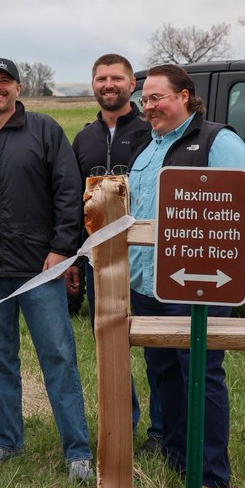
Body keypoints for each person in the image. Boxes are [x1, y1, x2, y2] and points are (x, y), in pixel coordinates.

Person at [0, 58, 94, 482]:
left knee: (58, 356)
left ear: (18, 88)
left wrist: (62, 249)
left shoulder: (44, 131)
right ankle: (6, 439)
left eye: (3, 82)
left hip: (38, 269)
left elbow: (68, 192)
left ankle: (77, 450)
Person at [128, 63, 245, 488]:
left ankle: (209, 478)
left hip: (194, 286)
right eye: (144, 100)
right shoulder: (148, 149)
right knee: (162, 371)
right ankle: (174, 456)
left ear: (185, 96)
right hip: (146, 285)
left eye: (157, 97)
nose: (148, 107)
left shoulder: (217, 141)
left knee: (200, 374)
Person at [64, 53, 160, 453]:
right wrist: (73, 255)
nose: (109, 85)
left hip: (145, 258)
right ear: (93, 85)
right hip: (97, 259)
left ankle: (161, 432)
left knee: (158, 348)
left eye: (116, 78)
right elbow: (72, 200)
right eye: (101, 78)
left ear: (131, 84)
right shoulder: (83, 139)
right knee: (110, 345)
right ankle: (123, 424)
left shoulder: (152, 132)